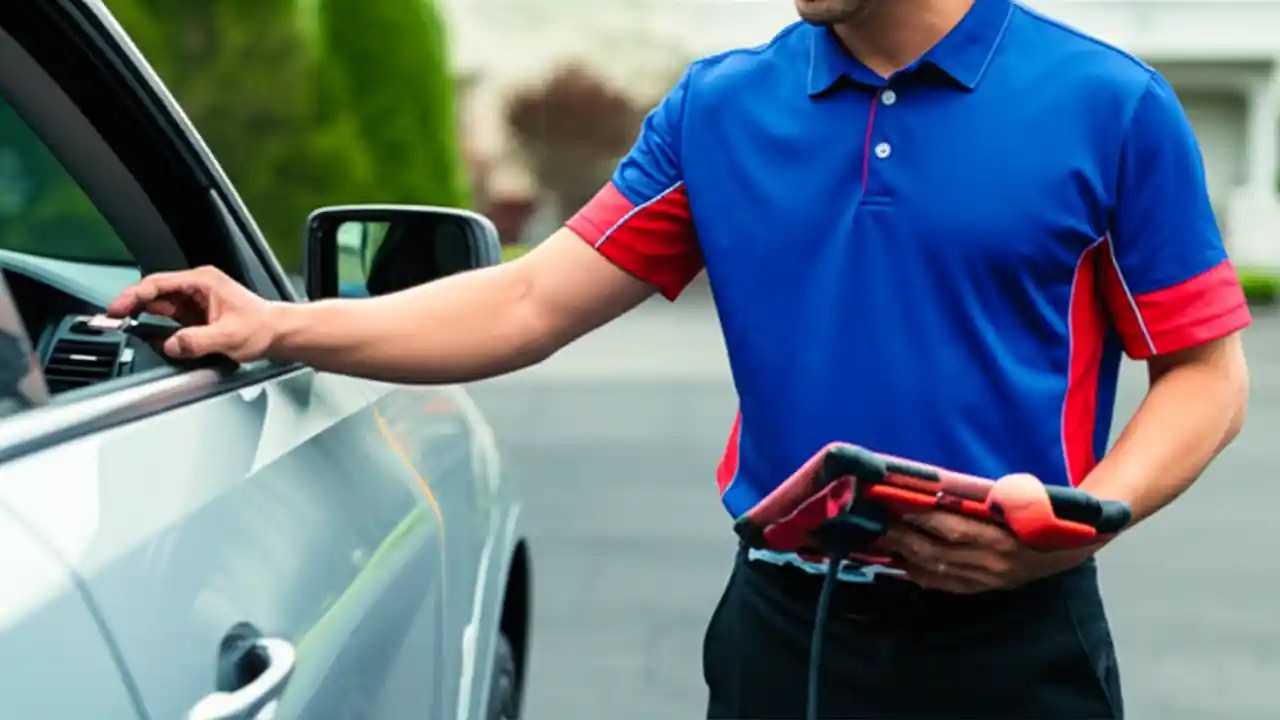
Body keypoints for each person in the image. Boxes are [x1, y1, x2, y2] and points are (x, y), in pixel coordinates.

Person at [108, 0, 1252, 716]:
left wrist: (1072, 523)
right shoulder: (721, 108)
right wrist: (274, 322)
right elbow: (525, 300)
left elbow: (1204, 374)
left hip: (1011, 641)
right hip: (775, 630)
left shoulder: (1109, 107)